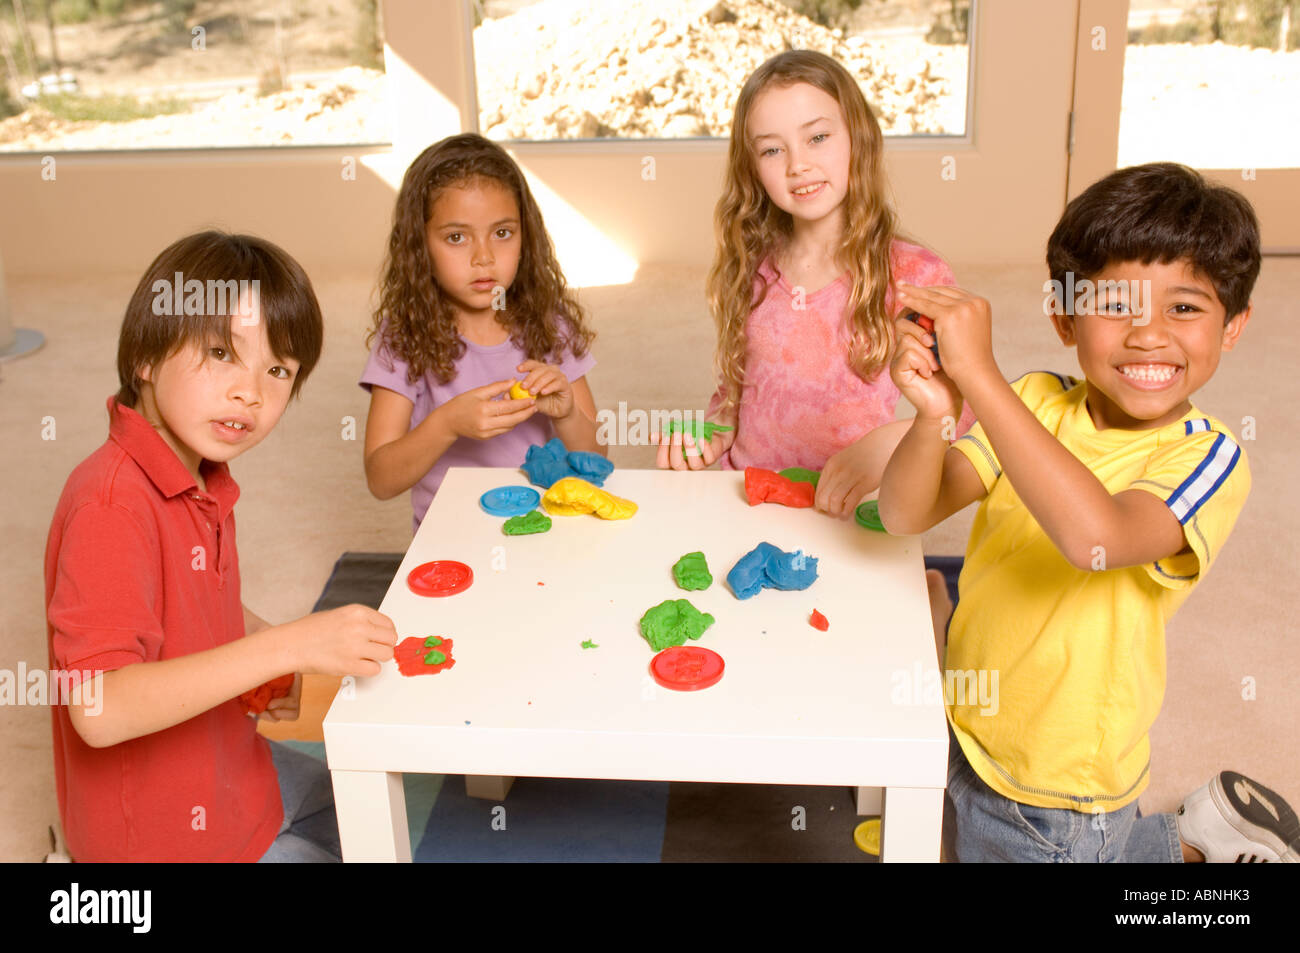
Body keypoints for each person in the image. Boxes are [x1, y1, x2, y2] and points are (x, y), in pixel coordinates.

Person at [878, 163, 1298, 862]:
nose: (1148, 334)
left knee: (1071, 851)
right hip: (971, 720)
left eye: (1185, 308)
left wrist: (979, 375)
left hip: (1059, 786)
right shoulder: (1038, 399)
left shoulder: (1209, 459)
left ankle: (1194, 858)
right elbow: (903, 512)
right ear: (1063, 317)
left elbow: (1094, 535)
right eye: (1115, 305)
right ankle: (1197, 837)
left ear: (1234, 326)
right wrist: (931, 419)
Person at [45, 232, 398, 862]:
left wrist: (266, 652)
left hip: (228, 774)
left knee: (366, 798)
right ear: (146, 358)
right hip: (162, 843)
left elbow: (198, 599)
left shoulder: (201, 474)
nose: (252, 392)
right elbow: (98, 709)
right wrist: (285, 644)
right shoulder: (109, 506)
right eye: (221, 353)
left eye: (278, 370)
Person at [654, 49, 972, 630]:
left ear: (858, 139)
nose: (798, 164)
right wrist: (705, 439)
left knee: (847, 646)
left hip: (850, 505)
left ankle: (929, 592)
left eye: (818, 137)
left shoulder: (916, 275)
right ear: (752, 168)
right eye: (773, 149)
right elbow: (734, 388)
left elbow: (973, 410)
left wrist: (895, 440)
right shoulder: (749, 266)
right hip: (752, 496)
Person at [361, 133, 603, 533]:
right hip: (451, 537)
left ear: (527, 235)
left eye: (502, 233)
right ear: (420, 245)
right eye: (456, 237)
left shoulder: (549, 323)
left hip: (546, 526)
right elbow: (381, 478)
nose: (484, 257)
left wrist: (567, 414)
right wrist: (446, 425)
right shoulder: (403, 336)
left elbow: (595, 453)